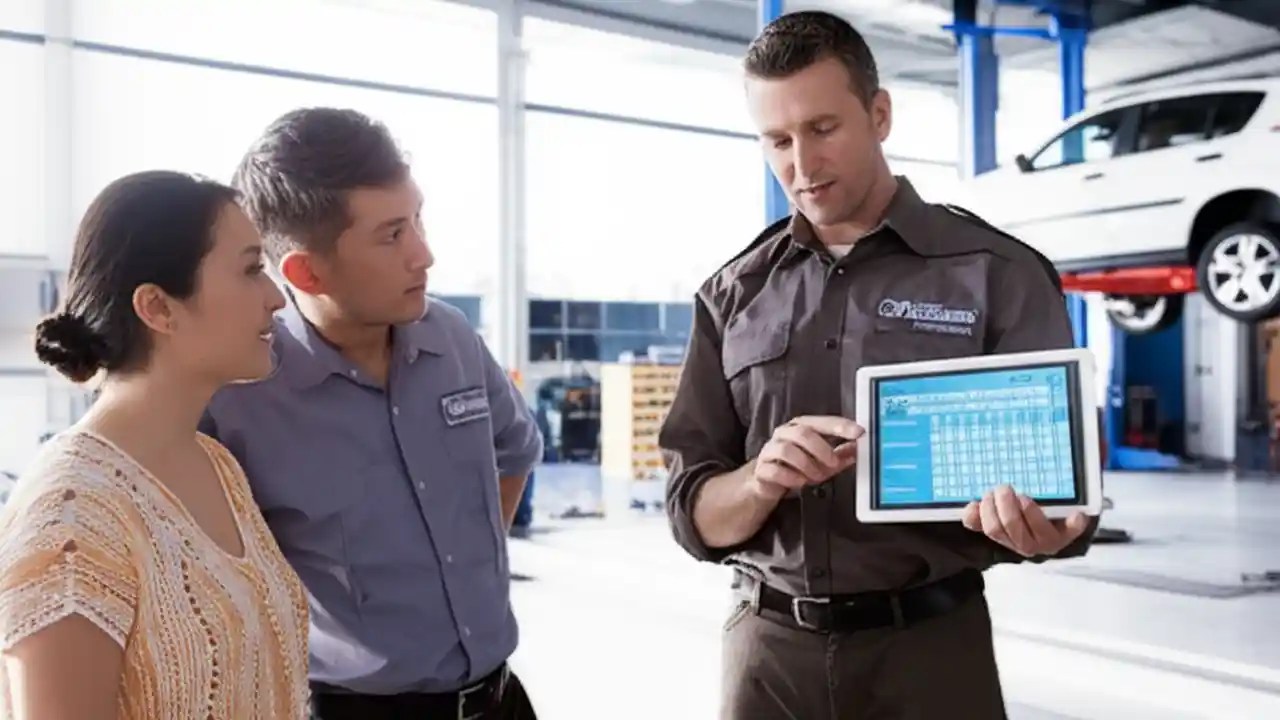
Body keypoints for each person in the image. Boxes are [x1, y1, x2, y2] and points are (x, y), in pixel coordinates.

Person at [658, 11, 1102, 720]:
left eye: (823, 129)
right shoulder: (731, 294)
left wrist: (1054, 527)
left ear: (880, 113)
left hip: (929, 658)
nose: (801, 166)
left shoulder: (998, 275)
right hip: (767, 661)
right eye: (777, 140)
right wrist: (760, 480)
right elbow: (693, 512)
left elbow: (1067, 492)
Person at [198, 107, 544, 720]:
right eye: (392, 235)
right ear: (307, 270)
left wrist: (462, 567)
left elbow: (514, 450)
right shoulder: (238, 393)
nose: (425, 255)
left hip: (500, 700)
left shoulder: (453, 338)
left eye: (418, 220)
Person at [0, 170, 309, 719]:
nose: (274, 298)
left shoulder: (217, 466)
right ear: (158, 308)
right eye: (250, 270)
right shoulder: (72, 515)